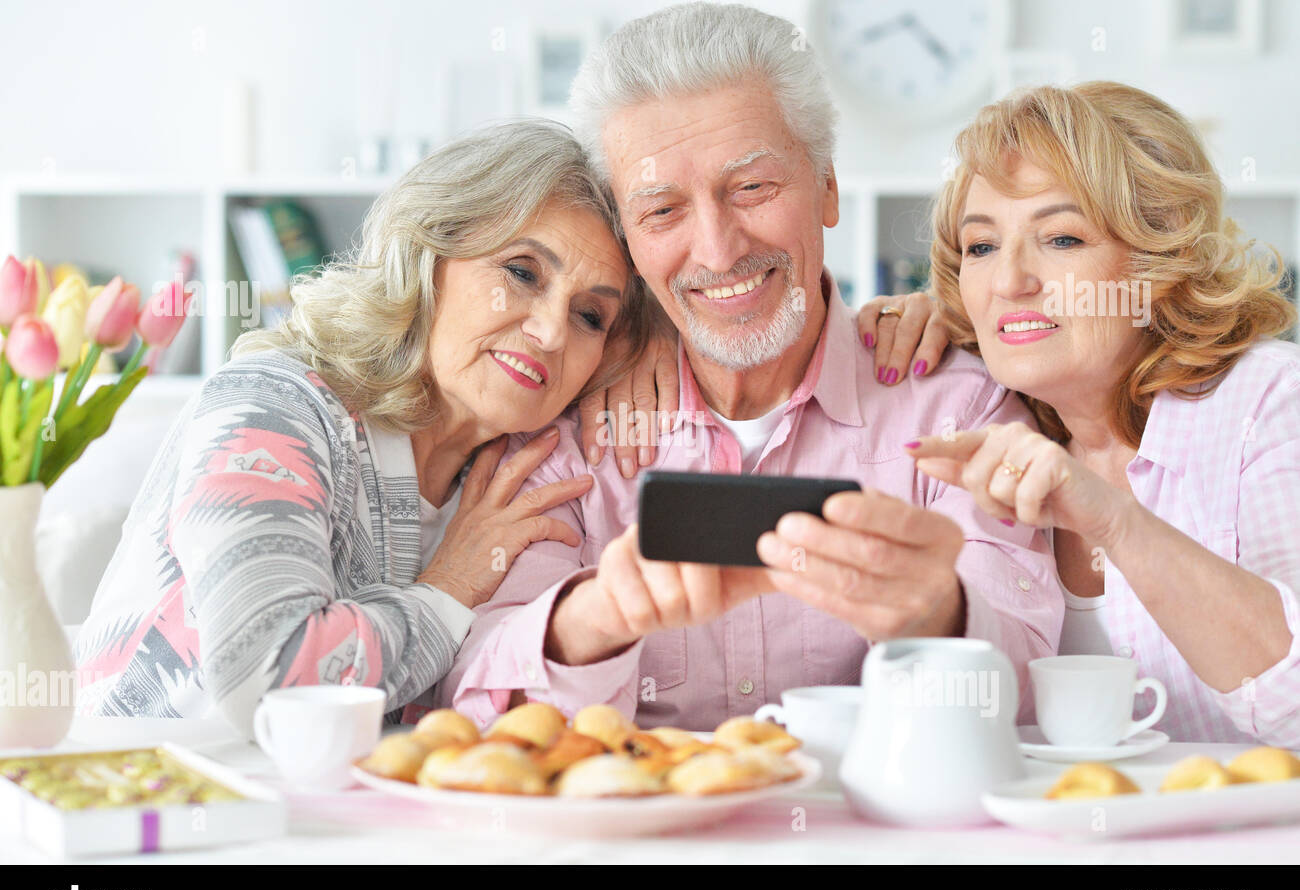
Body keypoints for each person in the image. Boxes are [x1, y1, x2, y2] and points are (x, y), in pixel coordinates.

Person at [433, 2, 1063, 730]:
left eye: (752, 188)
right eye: (662, 210)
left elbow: (1022, 688)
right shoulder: (569, 434)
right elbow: (473, 700)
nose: (719, 250)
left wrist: (937, 613)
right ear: (628, 240)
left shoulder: (961, 410)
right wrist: (594, 617)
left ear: (826, 186)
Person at [74, 120, 650, 735]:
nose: (553, 332)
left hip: (345, 820)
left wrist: (656, 356)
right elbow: (266, 677)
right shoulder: (275, 405)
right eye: (523, 272)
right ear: (429, 255)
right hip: (145, 801)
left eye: (591, 315)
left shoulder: (521, 475)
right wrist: (450, 586)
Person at [858, 82, 1300, 745]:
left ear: (1158, 261)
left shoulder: (1265, 402)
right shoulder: (981, 414)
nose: (1009, 281)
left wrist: (1115, 521)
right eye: (980, 247)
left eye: (1061, 239)